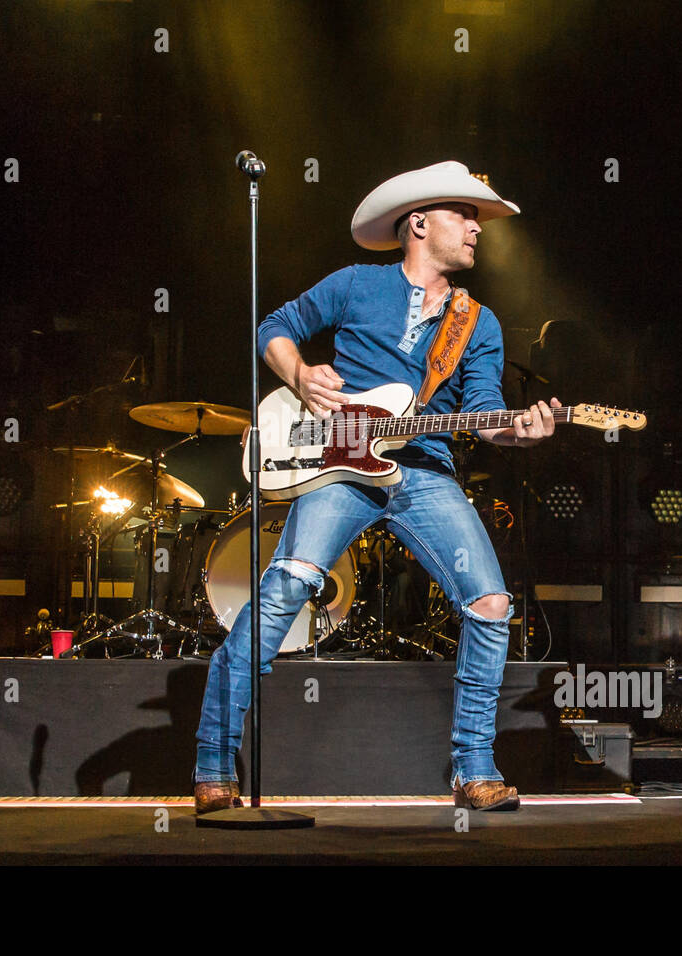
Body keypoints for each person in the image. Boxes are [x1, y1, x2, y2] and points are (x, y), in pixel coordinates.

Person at [194, 161, 561, 813]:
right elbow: (274, 327)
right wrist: (300, 374)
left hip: (425, 471)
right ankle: (214, 763)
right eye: (463, 214)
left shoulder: (478, 322)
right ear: (418, 223)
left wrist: (519, 432)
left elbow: (482, 411)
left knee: (490, 604)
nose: (477, 227)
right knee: (284, 590)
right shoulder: (356, 284)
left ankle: (474, 770)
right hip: (340, 466)